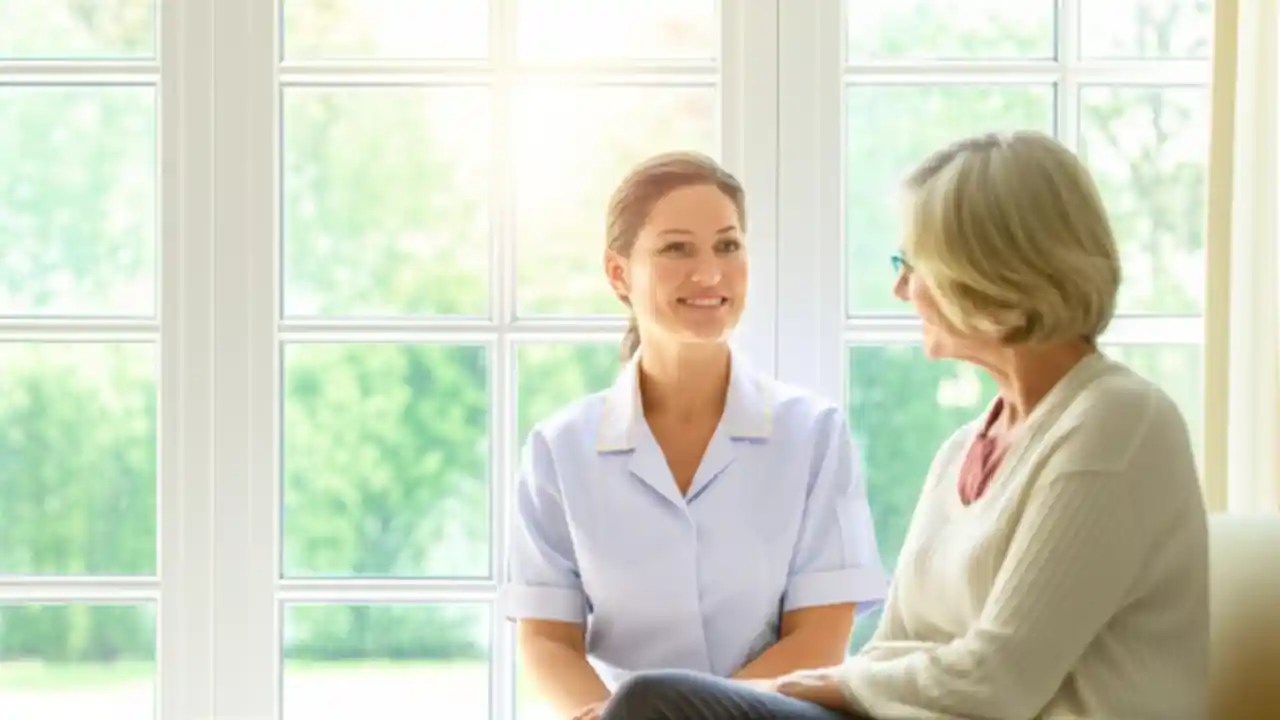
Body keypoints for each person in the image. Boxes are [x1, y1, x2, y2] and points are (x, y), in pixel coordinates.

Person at [601, 132, 1209, 720]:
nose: (899, 288)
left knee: (655, 706)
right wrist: (802, 691)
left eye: (911, 265)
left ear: (990, 271)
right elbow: (892, 649)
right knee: (658, 703)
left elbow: (1001, 681)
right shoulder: (960, 450)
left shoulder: (1116, 422)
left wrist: (821, 683)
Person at [501, 151, 888, 719]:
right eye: (676, 248)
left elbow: (820, 638)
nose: (709, 273)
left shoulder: (813, 435)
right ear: (617, 273)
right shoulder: (560, 449)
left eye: (728, 246)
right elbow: (545, 638)